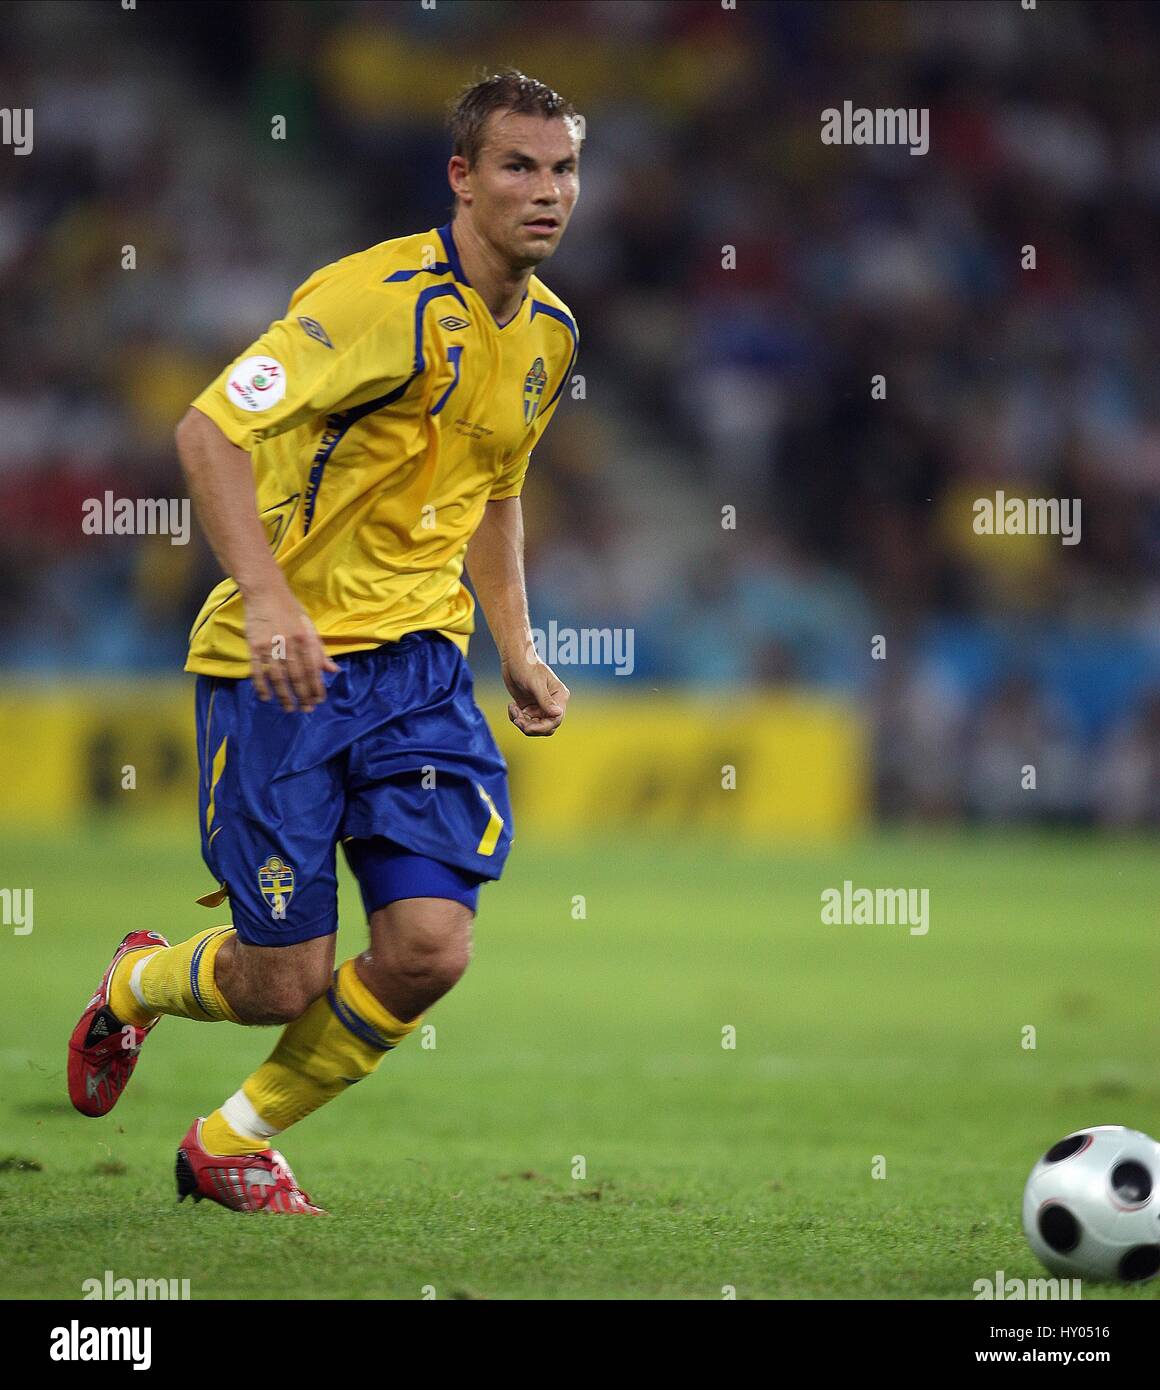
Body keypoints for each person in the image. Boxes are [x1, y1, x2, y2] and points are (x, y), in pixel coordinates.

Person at [67, 69, 581, 1213]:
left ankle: (226, 1143)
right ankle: (137, 982)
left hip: (418, 673)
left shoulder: (548, 335)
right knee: (279, 979)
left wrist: (517, 646)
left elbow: (493, 494)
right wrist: (267, 600)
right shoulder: (370, 300)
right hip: (281, 673)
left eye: (561, 170)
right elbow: (206, 430)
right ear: (461, 177)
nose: (545, 193)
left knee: (429, 947)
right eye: (516, 166)